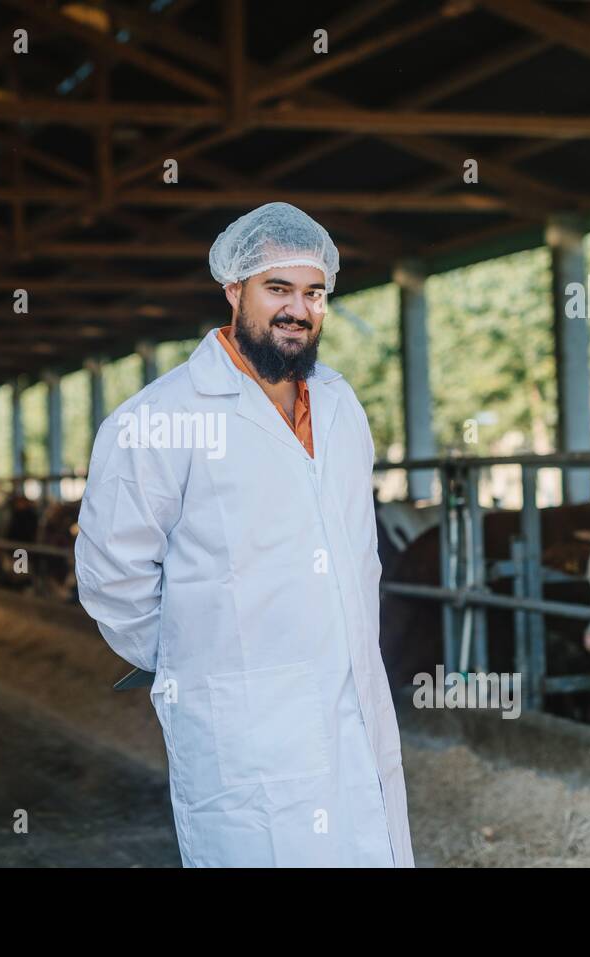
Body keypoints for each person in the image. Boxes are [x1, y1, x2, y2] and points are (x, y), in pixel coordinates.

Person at [74, 202, 414, 868]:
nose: (298, 309)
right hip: (240, 725)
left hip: (353, 707)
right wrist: (201, 662)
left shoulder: (342, 404)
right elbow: (114, 577)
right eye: (277, 289)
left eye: (314, 292)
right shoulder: (160, 417)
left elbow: (357, 553)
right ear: (234, 290)